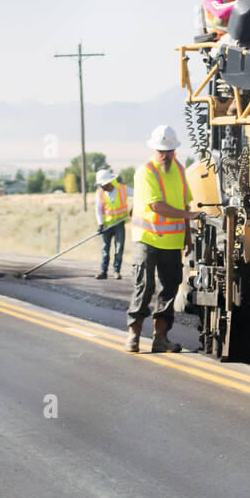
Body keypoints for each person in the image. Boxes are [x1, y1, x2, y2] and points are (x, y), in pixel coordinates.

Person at [126, 125, 204, 353]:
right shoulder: (146, 171)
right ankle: (133, 335)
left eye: (169, 150)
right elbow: (157, 206)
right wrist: (188, 215)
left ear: (175, 150)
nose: (165, 154)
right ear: (154, 149)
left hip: (172, 242)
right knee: (145, 286)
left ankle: (160, 338)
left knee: (169, 289)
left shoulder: (180, 170)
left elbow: (185, 204)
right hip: (148, 239)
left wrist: (188, 237)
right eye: (161, 150)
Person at [93, 168, 129, 280]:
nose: (101, 187)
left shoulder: (123, 189)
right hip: (106, 225)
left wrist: (135, 209)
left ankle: (116, 271)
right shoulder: (99, 193)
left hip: (119, 224)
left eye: (102, 184)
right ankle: (103, 271)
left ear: (109, 182)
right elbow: (98, 209)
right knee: (105, 248)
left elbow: (138, 194)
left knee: (119, 248)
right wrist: (100, 224)